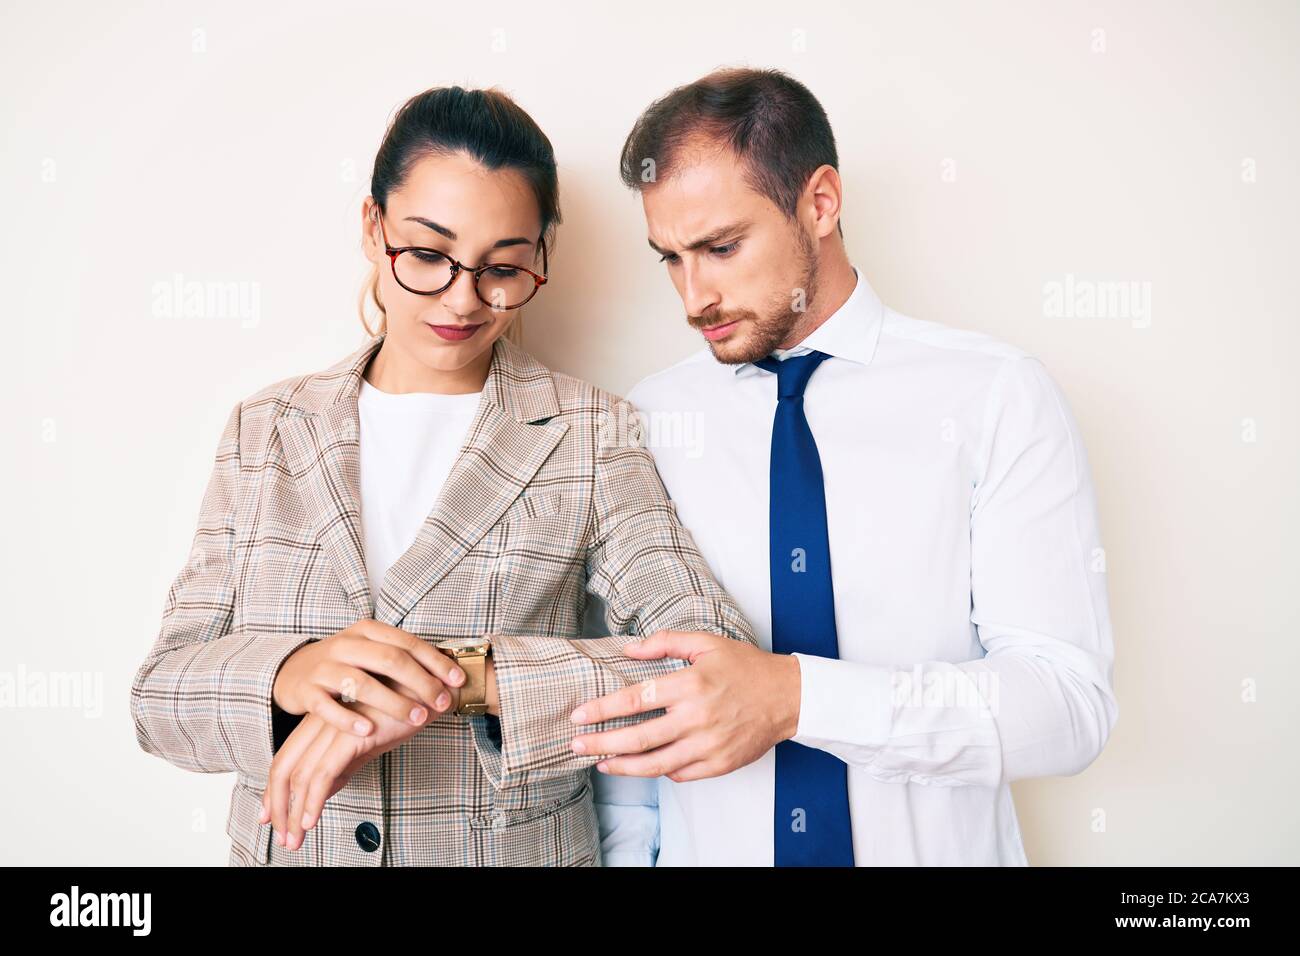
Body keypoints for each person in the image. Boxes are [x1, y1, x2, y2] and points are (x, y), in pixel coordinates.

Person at [130, 84, 755, 867]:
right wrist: (295, 674)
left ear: (540, 258)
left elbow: (710, 660)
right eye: (427, 254)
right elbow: (158, 697)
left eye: (503, 268)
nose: (464, 299)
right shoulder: (267, 428)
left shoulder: (593, 433)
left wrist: (466, 679)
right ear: (372, 228)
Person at [580, 67, 1119, 866]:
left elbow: (1066, 707)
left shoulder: (992, 396)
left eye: (722, 247)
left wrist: (796, 699)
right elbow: (627, 723)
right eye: (670, 258)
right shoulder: (644, 425)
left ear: (820, 202)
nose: (694, 297)